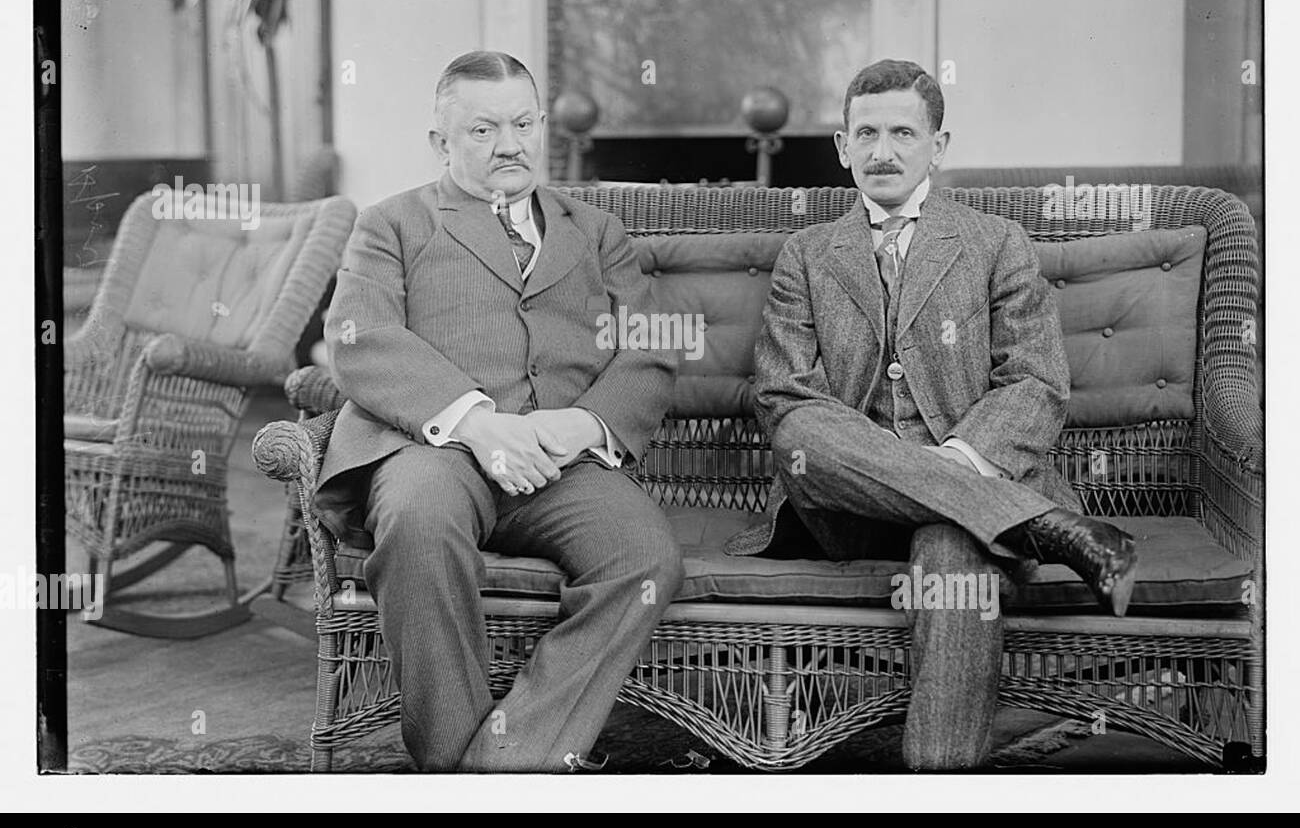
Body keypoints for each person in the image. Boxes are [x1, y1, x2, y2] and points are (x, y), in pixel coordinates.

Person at [727, 59, 1138, 769]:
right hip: (847, 506)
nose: (883, 150)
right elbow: (779, 394)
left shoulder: (995, 242)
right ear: (842, 146)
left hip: (966, 500)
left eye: (902, 133)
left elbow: (1036, 381)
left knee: (954, 551)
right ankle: (1034, 523)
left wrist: (954, 468)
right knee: (802, 427)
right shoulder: (808, 253)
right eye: (867, 133)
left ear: (937, 147)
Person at [315, 51, 684, 772]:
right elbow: (359, 338)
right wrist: (481, 424)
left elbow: (650, 348)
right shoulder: (392, 223)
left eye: (522, 123)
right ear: (440, 142)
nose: (510, 144)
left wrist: (582, 424)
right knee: (418, 525)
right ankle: (454, 765)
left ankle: (505, 763)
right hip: (435, 451)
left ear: (543, 125)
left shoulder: (597, 231)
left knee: (643, 556)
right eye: (483, 129)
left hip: (562, 459)